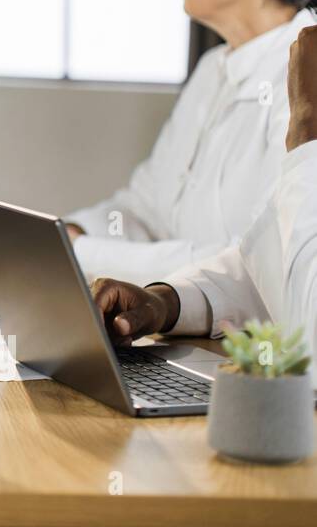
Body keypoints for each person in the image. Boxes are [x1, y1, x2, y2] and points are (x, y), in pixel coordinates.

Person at [65, 0, 317, 285]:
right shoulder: (211, 69)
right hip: (181, 324)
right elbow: (147, 209)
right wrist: (75, 231)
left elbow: (251, 261)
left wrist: (81, 253)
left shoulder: (305, 82)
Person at [90, 25, 317, 382]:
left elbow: (310, 332)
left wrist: (307, 134)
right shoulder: (214, 68)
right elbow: (268, 266)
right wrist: (165, 303)